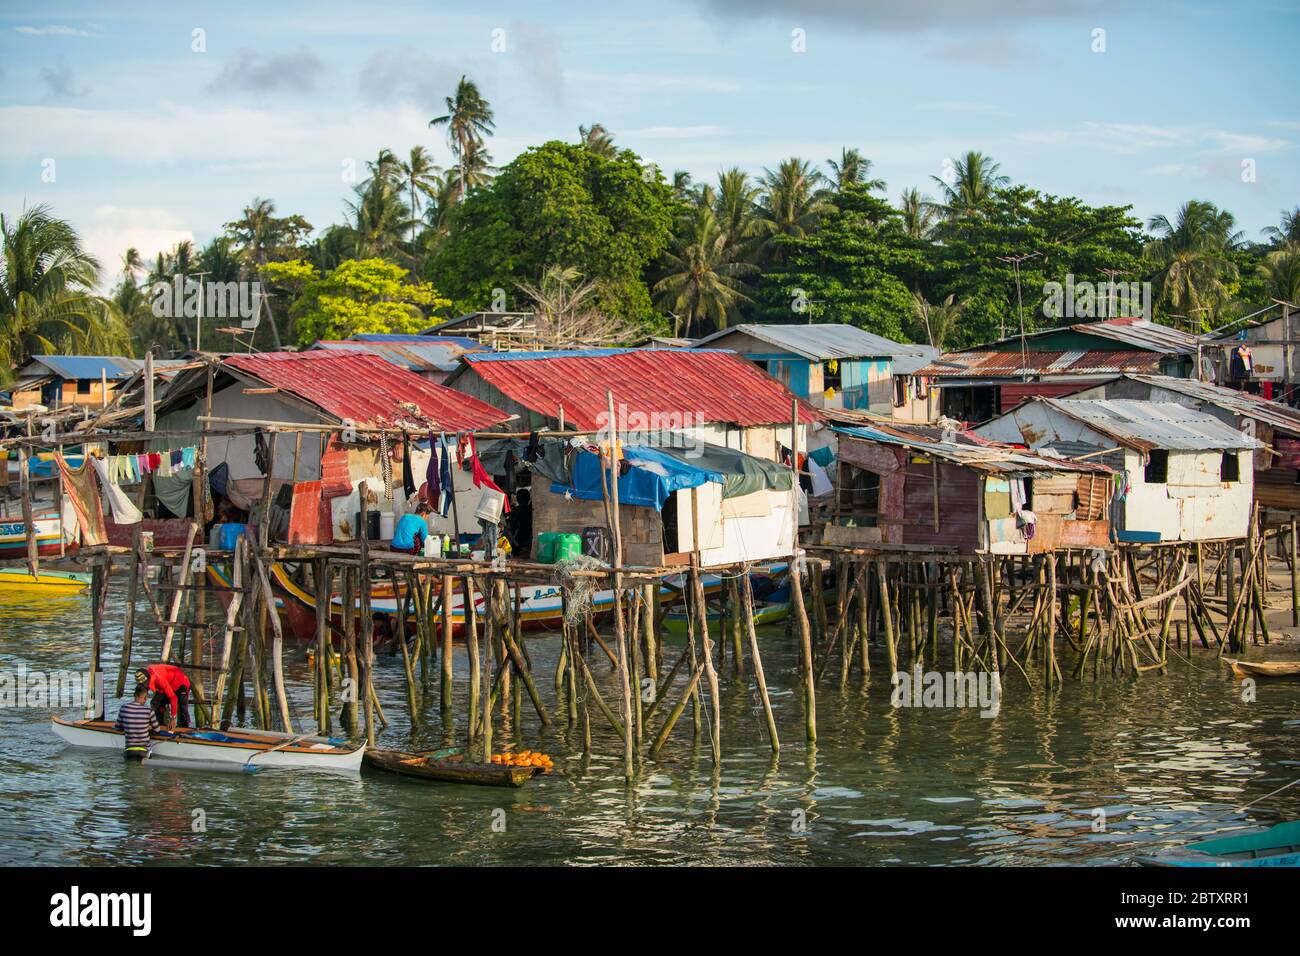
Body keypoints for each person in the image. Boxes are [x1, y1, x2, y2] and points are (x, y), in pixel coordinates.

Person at [135, 664, 192, 730]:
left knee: (182, 706)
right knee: (155, 703)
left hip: (180, 683)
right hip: (166, 684)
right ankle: (159, 725)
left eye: (145, 684)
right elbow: (140, 696)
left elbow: (173, 697)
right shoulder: (144, 677)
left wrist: (173, 717)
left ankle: (185, 728)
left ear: (149, 679)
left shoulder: (159, 680)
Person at [114, 682, 158, 761]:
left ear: (134, 695)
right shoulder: (149, 711)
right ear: (145, 697)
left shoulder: (124, 708)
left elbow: (117, 728)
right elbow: (157, 730)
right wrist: (148, 727)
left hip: (129, 751)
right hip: (144, 751)